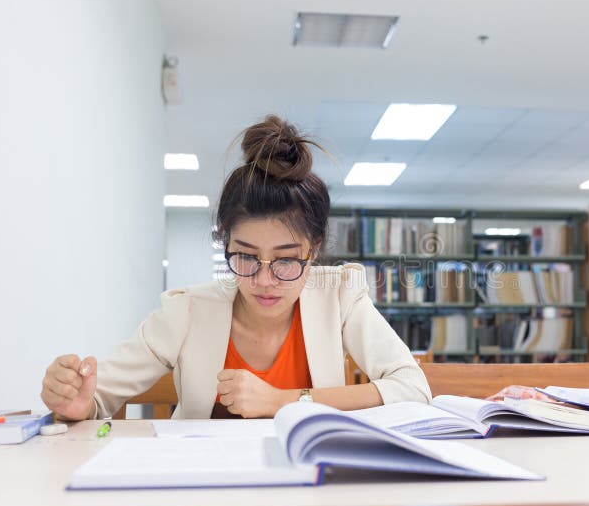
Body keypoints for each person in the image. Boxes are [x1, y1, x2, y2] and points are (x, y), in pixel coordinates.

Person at [40, 115, 431, 420]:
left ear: (312, 252)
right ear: (225, 244)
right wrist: (78, 402)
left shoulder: (339, 296)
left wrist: (282, 400)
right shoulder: (188, 311)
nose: (263, 280)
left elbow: (412, 387)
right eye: (246, 257)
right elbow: (98, 397)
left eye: (286, 260)